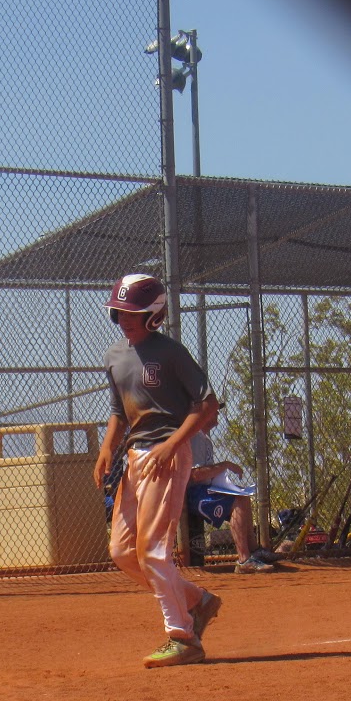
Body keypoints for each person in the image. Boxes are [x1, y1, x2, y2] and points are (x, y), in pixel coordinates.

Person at [93, 273, 220, 668]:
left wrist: (173, 443)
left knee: (152, 550)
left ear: (154, 316)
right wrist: (106, 448)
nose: (123, 320)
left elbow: (207, 406)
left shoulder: (171, 353)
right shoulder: (115, 356)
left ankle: (183, 637)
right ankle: (198, 601)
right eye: (118, 313)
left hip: (168, 456)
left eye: (132, 314)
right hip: (135, 459)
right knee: (121, 551)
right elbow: (119, 412)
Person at [186, 399, 274, 573]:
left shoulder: (205, 439)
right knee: (238, 502)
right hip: (192, 493)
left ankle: (254, 551)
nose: (217, 412)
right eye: (213, 409)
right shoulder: (195, 437)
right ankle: (244, 559)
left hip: (205, 489)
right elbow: (194, 475)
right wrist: (225, 464)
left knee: (243, 497)